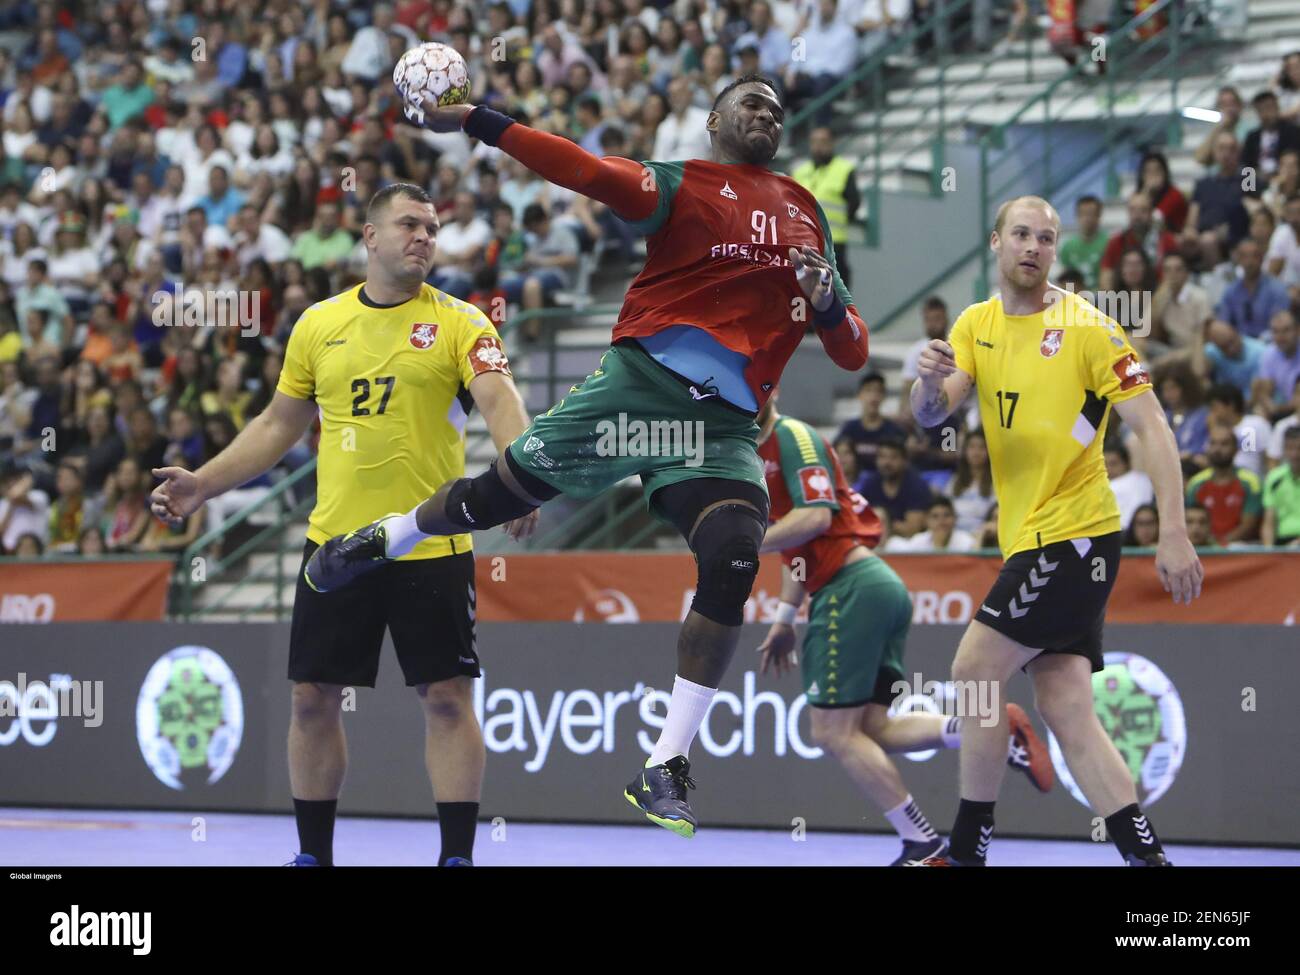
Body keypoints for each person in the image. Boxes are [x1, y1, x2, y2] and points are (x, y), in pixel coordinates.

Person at [308, 74, 870, 839]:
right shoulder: (682, 185)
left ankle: (664, 765)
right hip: (639, 390)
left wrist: (830, 299)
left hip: (723, 430)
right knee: (502, 495)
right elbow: (581, 168)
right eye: (750, 102)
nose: (766, 113)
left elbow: (850, 351)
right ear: (713, 121)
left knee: (737, 556)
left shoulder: (807, 211)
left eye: (775, 107)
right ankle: (388, 536)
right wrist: (477, 119)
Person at [150, 183, 536, 868]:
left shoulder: (463, 322)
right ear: (369, 236)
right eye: (410, 223)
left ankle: (456, 858)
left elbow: (499, 398)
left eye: (434, 227)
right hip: (336, 548)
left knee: (447, 698)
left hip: (430, 544)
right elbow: (276, 426)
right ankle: (313, 856)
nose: (425, 236)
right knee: (310, 699)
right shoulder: (317, 326)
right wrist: (202, 484)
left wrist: (521, 472)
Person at [908, 195, 1202, 866]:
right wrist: (925, 386)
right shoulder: (976, 326)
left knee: (974, 669)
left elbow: (1152, 426)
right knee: (1066, 705)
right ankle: (1148, 859)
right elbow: (931, 414)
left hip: (1075, 534)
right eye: (1021, 233)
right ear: (996, 241)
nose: (1033, 246)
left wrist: (1174, 529)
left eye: (1045, 236)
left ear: (1056, 249)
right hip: (1032, 537)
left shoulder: (1090, 328)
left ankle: (966, 849)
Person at [753, 395, 1052, 866]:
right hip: (869, 585)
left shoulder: (790, 436)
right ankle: (987, 727)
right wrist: (785, 618)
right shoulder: (753, 457)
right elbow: (797, 542)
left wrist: (745, 543)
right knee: (874, 728)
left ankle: (923, 843)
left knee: (832, 734)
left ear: (768, 392)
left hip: (850, 587)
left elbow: (815, 517)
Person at [792, 126, 860, 288]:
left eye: (823, 142)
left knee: (837, 292)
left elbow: (854, 202)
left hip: (834, 242)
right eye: (814, 142)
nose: (818, 146)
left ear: (832, 144)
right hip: (805, 242)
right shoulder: (800, 172)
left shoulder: (844, 169)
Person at [1185, 423, 1263, 545]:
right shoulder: (1196, 483)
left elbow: (1249, 525)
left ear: (1236, 449)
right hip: (1203, 546)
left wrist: (1220, 544)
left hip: (1239, 548)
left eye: (1224, 444)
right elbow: (1189, 521)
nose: (1217, 449)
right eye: (1213, 443)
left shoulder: (1250, 482)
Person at [1098, 192, 1177, 293]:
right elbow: (1105, 278)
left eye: (1143, 210)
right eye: (1133, 210)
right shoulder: (1117, 241)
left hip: (1158, 298)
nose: (1137, 215)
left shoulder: (1166, 240)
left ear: (1152, 213)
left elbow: (1172, 279)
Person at [834, 371, 906, 482]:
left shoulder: (894, 430)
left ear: (884, 396)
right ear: (859, 395)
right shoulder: (849, 428)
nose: (873, 396)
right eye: (868, 390)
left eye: (878, 391)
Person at [854, 439, 932, 539]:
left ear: (904, 461)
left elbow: (912, 530)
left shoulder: (916, 485)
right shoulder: (871, 483)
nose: (887, 463)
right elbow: (859, 522)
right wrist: (894, 525)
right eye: (882, 457)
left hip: (910, 544)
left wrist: (884, 523)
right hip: (876, 539)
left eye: (893, 457)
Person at [1214, 238, 1290, 340]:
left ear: (1262, 258)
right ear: (1238, 259)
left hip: (1269, 344)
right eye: (1244, 257)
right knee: (1211, 349)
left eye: (1254, 256)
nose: (1249, 262)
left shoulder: (1277, 289)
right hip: (1238, 346)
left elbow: (1281, 326)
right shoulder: (1231, 291)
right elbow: (1224, 322)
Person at [1206, 383, 1272, 478]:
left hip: (1253, 481)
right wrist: (1212, 429)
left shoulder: (1256, 424)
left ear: (1230, 405)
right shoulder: (1215, 430)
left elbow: (1268, 456)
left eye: (1214, 407)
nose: (1211, 412)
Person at [1253, 309, 1300, 422]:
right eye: (1275, 331)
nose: (1280, 336)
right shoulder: (1269, 353)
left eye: (1286, 330)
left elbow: (1297, 401)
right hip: (1283, 409)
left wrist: (1277, 408)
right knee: (1258, 412)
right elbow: (1265, 390)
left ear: (1298, 330)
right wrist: (1269, 405)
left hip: (1295, 409)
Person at [886, 496, 978, 552]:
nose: (941, 521)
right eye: (935, 516)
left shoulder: (966, 542)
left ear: (955, 519)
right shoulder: (918, 541)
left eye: (946, 515)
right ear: (927, 521)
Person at [1057, 195, 1106, 291]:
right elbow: (1065, 279)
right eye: (1083, 214)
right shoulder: (1068, 247)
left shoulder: (1109, 243)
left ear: (1099, 215)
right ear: (1077, 216)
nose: (1087, 218)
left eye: (1091, 214)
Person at [1262, 426, 1300, 546]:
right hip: (1283, 544)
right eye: (1290, 448)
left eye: (1299, 448)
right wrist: (1268, 552)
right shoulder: (1274, 478)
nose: (1295, 454)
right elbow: (1269, 523)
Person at [1105, 441, 1153, 531]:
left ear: (1126, 463)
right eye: (1105, 464)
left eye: (1113, 464)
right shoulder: (1144, 479)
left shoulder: (1142, 480)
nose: (1108, 469)